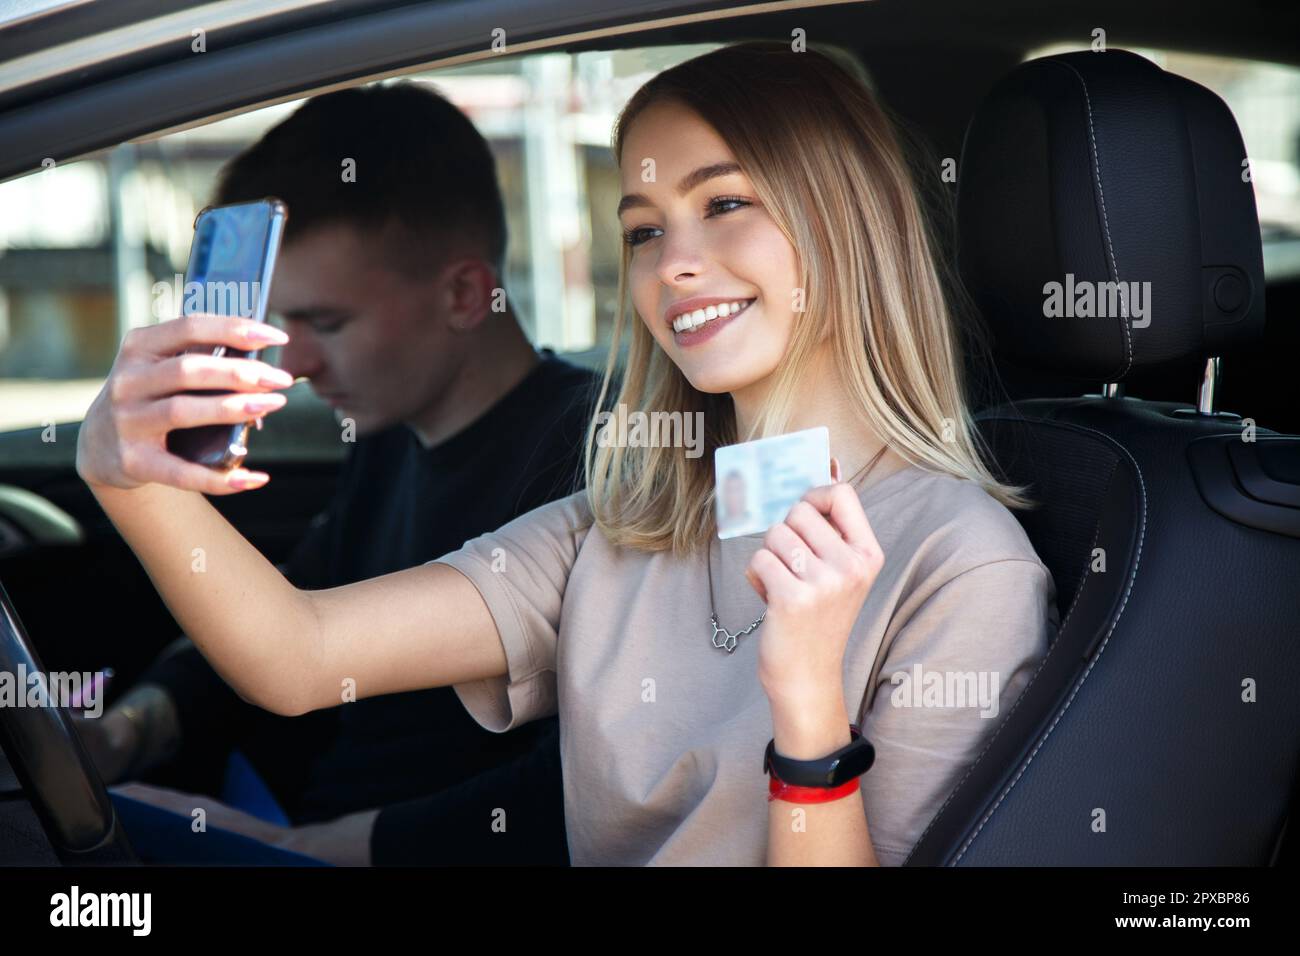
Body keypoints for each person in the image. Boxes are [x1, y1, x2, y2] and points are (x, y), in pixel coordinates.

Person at [76, 41, 1060, 866]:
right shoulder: (624, 517)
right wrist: (124, 473)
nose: (673, 259)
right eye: (643, 228)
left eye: (724, 204)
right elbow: (299, 654)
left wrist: (805, 696)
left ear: (848, 225)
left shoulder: (961, 561)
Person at [77, 83, 596, 865]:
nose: (299, 360)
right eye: (283, 323)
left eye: (327, 322)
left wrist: (300, 846)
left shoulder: (592, 458)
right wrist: (125, 732)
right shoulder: (392, 433)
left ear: (462, 293)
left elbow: (574, 785)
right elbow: (285, 597)